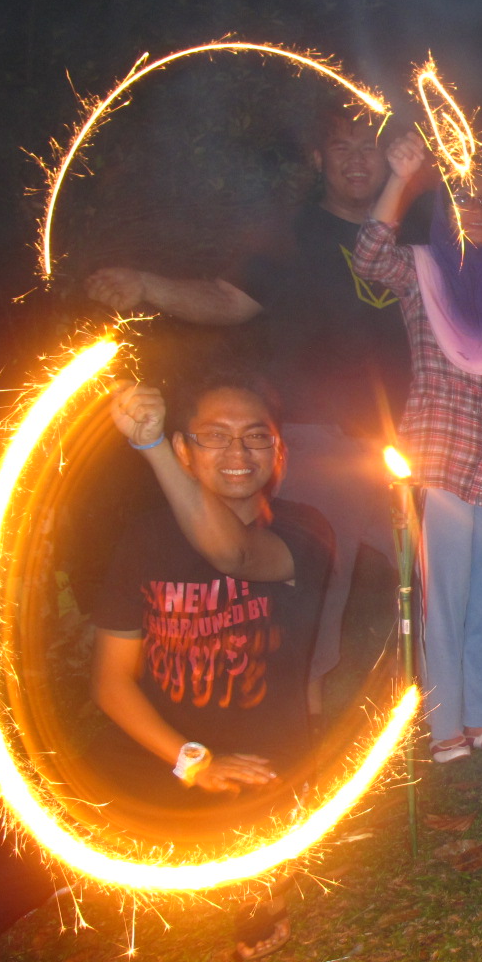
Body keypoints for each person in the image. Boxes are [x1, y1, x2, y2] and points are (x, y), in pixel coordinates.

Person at [0, 371, 333, 962]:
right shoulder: (144, 540)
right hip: (154, 755)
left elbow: (234, 555)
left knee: (250, 892)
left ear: (280, 454)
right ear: (185, 451)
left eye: (257, 436)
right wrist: (192, 759)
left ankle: (256, 886)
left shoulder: (305, 532)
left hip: (257, 772)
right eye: (214, 436)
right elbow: (111, 684)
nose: (238, 452)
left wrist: (148, 447)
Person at [85, 110, 410, 715]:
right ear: (318, 159)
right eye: (342, 146)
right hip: (319, 445)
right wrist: (148, 286)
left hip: (408, 445)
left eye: (369, 147)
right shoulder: (295, 235)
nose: (357, 159)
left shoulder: (411, 237)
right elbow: (227, 297)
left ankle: (438, 713)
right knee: (317, 591)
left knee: (430, 581)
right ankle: (301, 722)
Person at [352, 135, 482, 759]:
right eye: (464, 199)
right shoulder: (421, 268)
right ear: (445, 209)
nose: (478, 210)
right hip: (442, 450)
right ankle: (444, 725)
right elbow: (368, 257)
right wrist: (399, 180)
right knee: (444, 593)